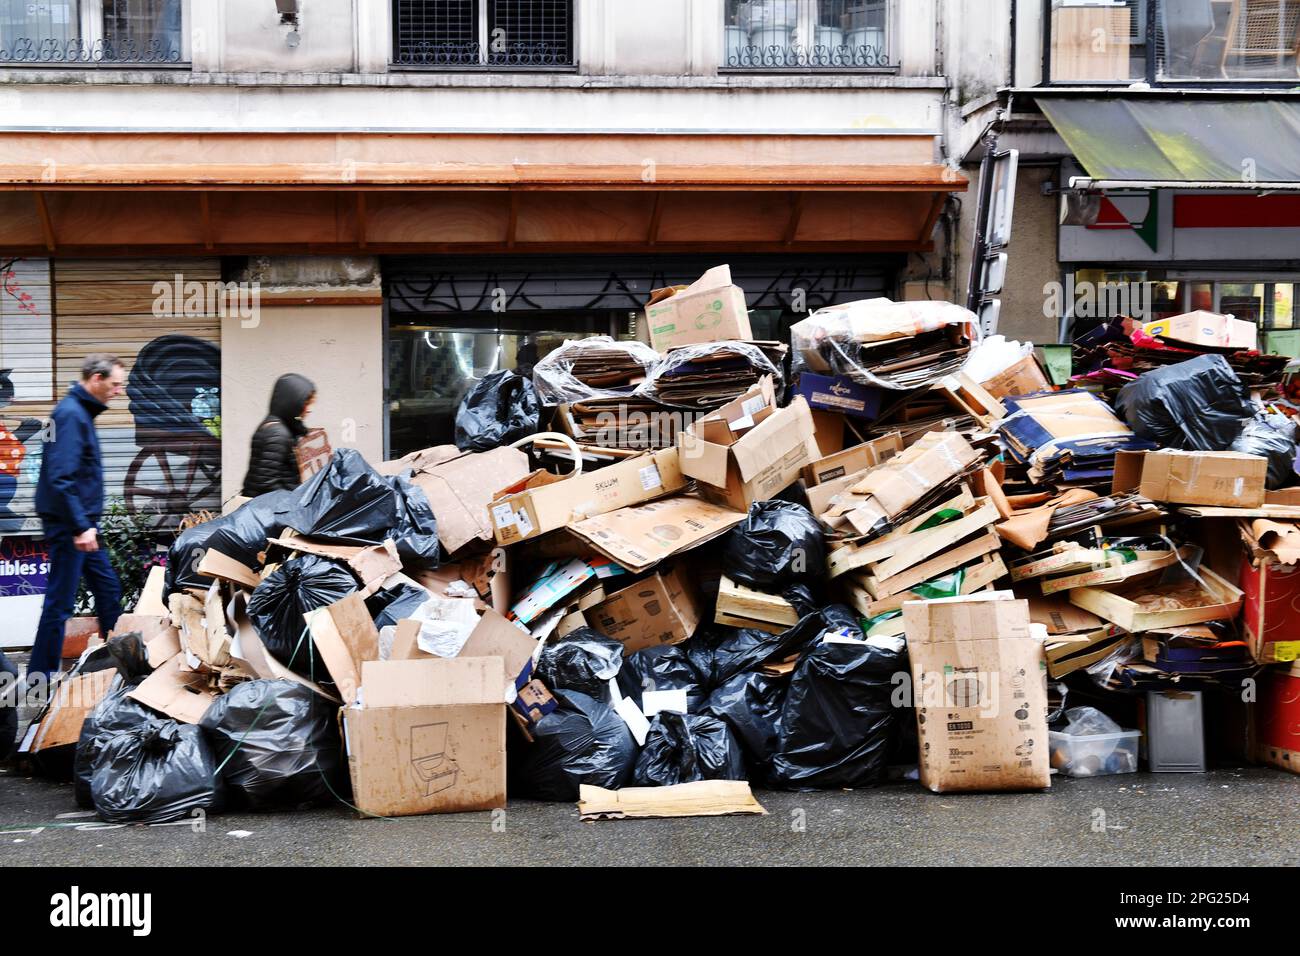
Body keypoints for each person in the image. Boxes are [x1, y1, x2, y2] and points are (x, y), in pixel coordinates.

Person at [29, 355, 126, 681]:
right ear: (96, 378)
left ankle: (122, 670)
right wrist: (80, 526)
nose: (118, 391)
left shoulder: (80, 413)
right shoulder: (71, 415)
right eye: (115, 384)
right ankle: (38, 680)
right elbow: (61, 477)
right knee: (60, 604)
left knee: (109, 590)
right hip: (72, 527)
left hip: (82, 525)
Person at [241, 373, 316, 497]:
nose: (308, 409)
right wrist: (292, 502)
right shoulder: (278, 434)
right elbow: (266, 482)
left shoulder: (274, 425)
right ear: (292, 402)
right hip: (270, 510)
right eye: (305, 403)